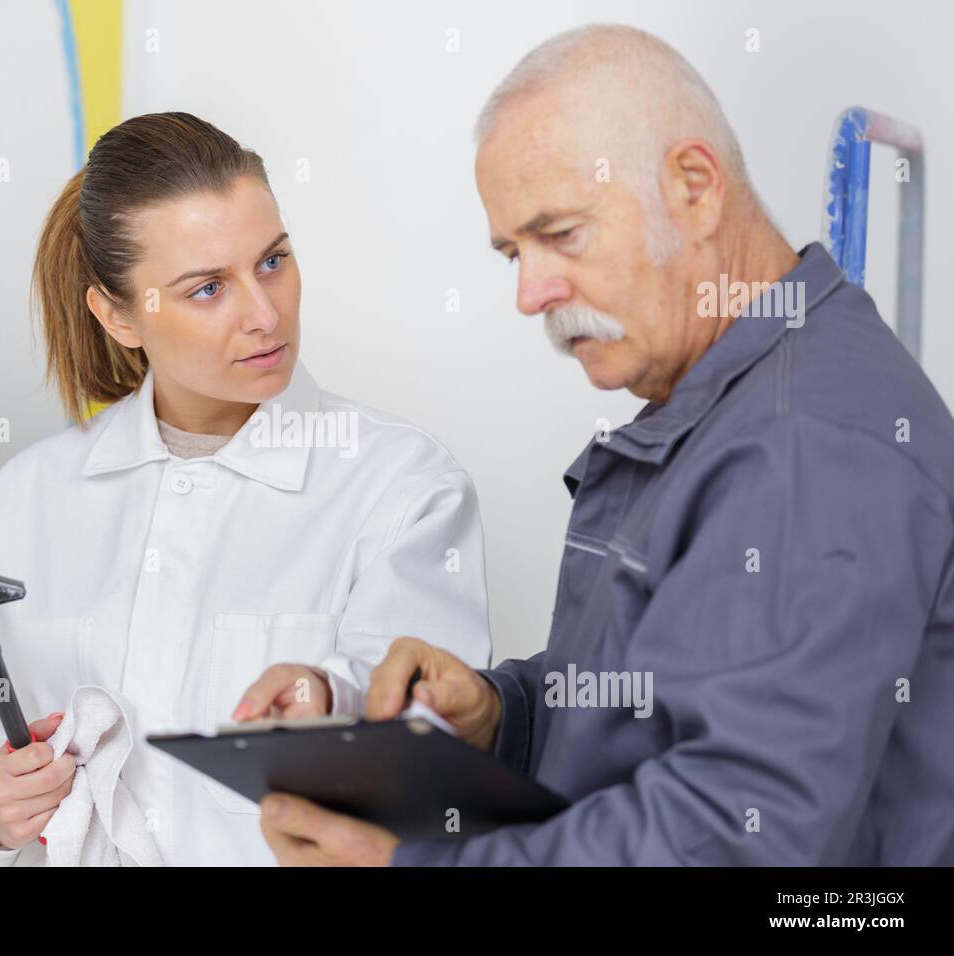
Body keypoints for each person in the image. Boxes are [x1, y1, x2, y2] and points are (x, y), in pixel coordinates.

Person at [256, 25, 954, 866]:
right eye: (514, 251)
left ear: (695, 187)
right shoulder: (727, 395)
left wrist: (410, 865)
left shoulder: (809, 445)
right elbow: (675, 687)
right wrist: (504, 713)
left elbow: (735, 835)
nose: (530, 292)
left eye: (562, 234)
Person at [0, 112, 492, 866]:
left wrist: (326, 701)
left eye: (273, 261)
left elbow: (434, 773)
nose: (264, 312)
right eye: (208, 287)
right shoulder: (24, 503)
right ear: (118, 316)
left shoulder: (404, 490)